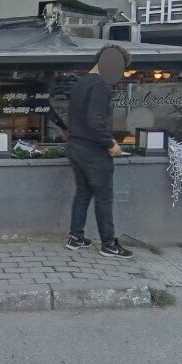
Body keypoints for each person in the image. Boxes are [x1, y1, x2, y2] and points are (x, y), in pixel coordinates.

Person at [65, 44, 133, 258]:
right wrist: (111, 144)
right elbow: (96, 121)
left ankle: (76, 238)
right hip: (93, 152)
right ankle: (109, 244)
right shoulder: (101, 85)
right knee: (104, 197)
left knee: (83, 192)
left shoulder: (80, 84)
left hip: (75, 147)